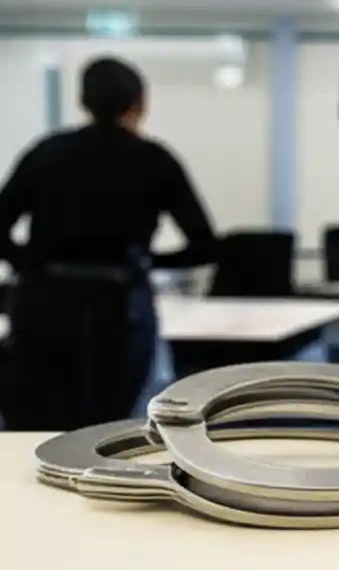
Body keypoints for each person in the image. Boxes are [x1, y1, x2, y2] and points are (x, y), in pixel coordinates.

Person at [0, 56, 218, 430]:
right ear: (140, 103)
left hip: (45, 303)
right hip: (118, 307)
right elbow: (204, 245)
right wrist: (147, 261)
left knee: (35, 418)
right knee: (105, 425)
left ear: (83, 102)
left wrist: (28, 262)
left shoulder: (48, 152)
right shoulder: (154, 159)